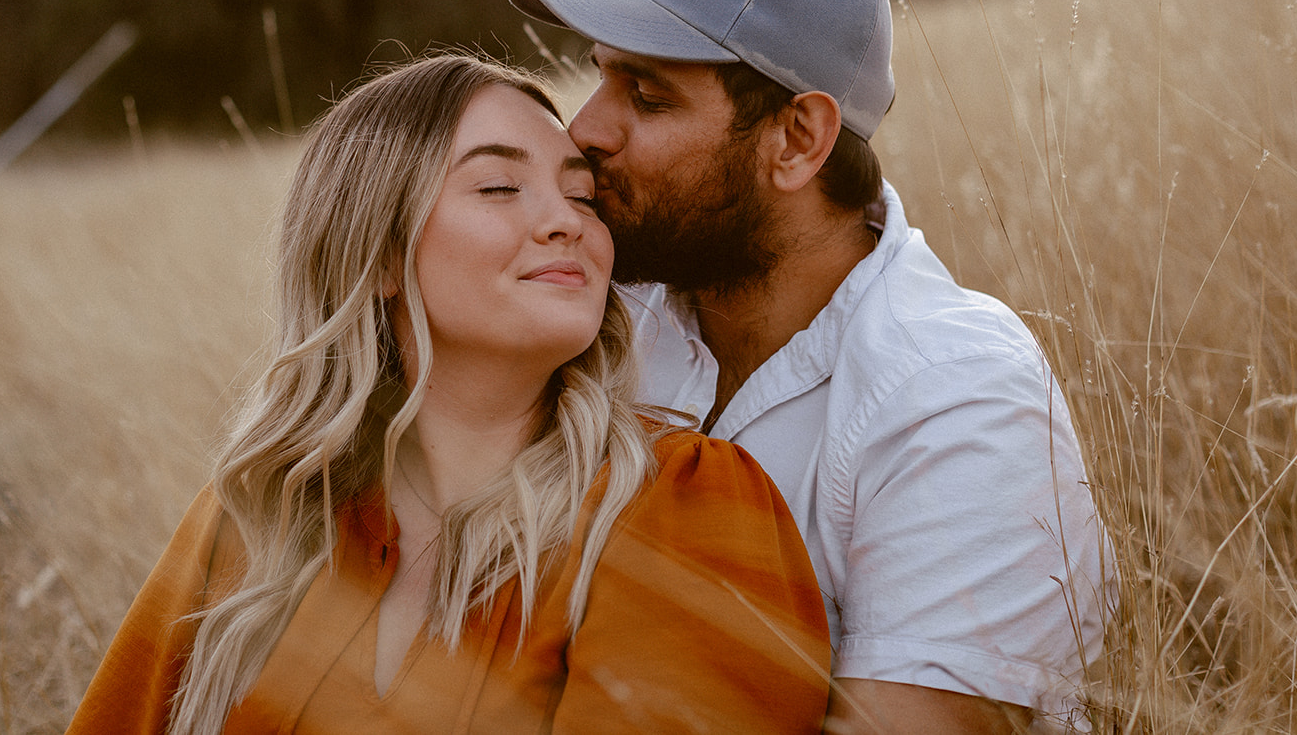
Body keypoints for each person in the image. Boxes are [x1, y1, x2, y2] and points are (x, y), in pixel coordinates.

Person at [65, 54, 831, 734]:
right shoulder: (261, 513)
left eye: (584, 198)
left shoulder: (680, 505)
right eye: (500, 186)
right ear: (381, 254)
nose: (566, 221)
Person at [504, 0, 1112, 734]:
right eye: (600, 75)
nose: (586, 128)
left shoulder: (960, 397)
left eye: (646, 96)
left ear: (797, 138)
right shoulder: (603, 309)